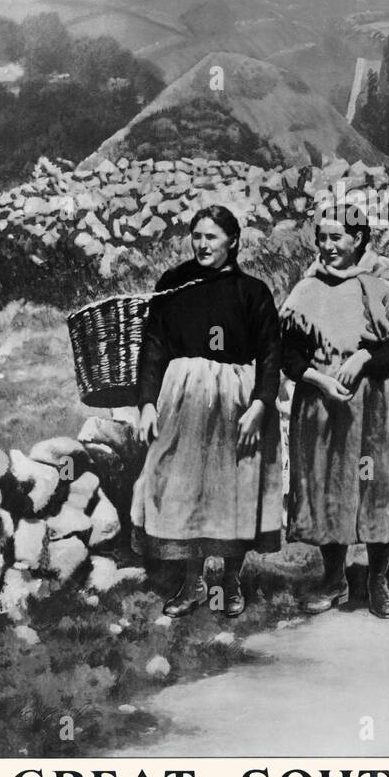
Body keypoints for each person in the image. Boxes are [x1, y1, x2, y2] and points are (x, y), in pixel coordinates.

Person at [132, 205, 282, 618]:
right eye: (196, 236)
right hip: (182, 397)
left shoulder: (252, 292)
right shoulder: (173, 285)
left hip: (238, 400)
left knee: (235, 486)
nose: (202, 244)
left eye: (211, 236)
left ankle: (230, 581)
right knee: (183, 485)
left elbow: (271, 352)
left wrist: (261, 405)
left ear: (233, 241)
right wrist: (146, 402)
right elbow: (154, 344)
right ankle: (193, 581)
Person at [279, 204, 389, 619]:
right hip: (325, 403)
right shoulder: (307, 288)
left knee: (375, 486)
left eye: (336, 238)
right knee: (328, 487)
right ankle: (334, 578)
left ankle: (377, 580)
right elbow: (289, 352)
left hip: (376, 402)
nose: (327, 247)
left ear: (358, 239)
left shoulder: (383, 281)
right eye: (321, 238)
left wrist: (364, 356)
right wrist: (318, 379)